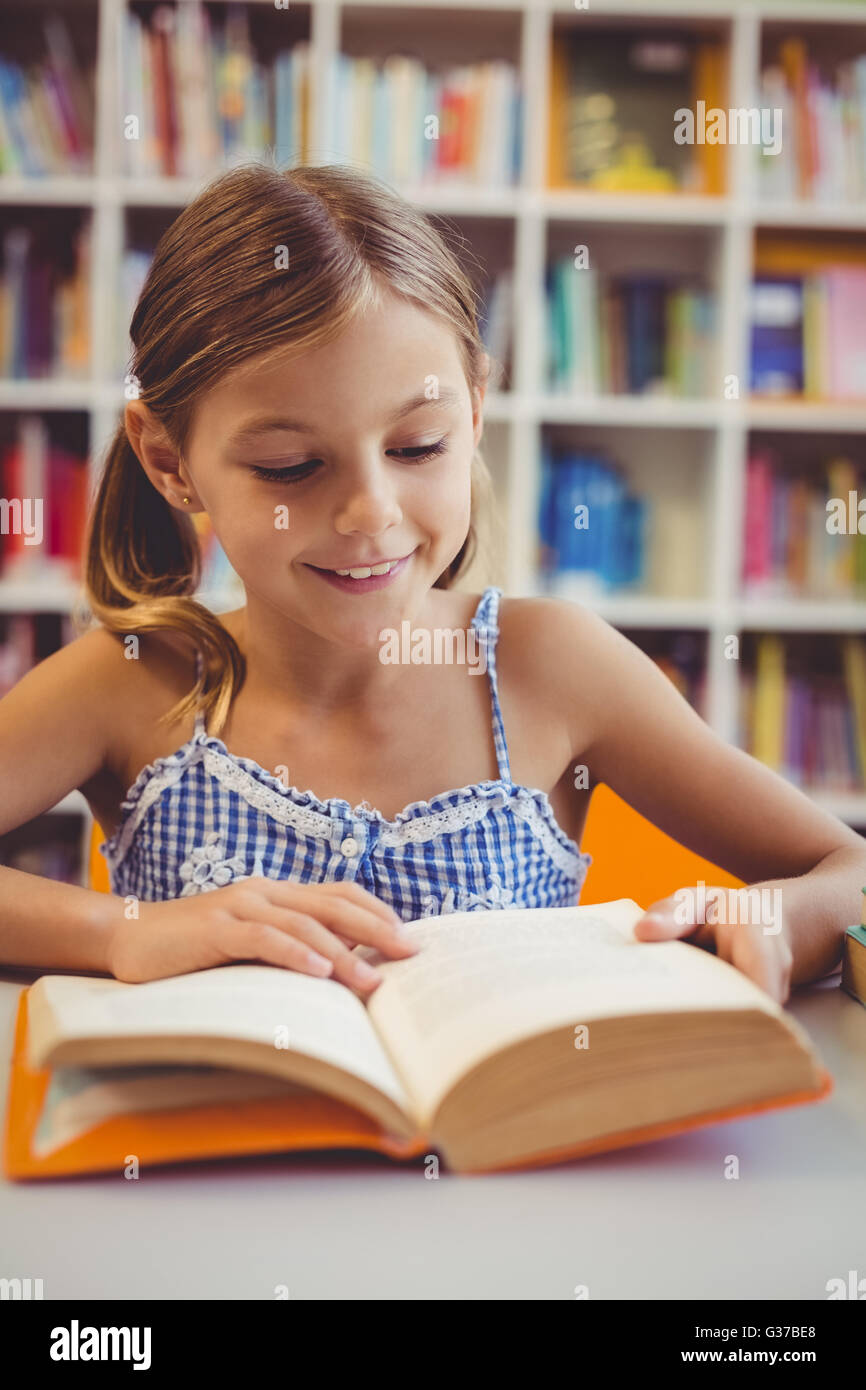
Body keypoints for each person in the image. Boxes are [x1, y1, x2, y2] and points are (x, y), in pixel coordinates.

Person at [1, 162, 864, 1004]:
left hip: (510, 1146)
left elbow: (851, 874)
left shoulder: (550, 665)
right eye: (290, 466)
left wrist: (778, 913)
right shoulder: (131, 679)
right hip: (213, 1148)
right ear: (168, 461)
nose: (370, 514)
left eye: (418, 447)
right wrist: (124, 930)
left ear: (476, 410)